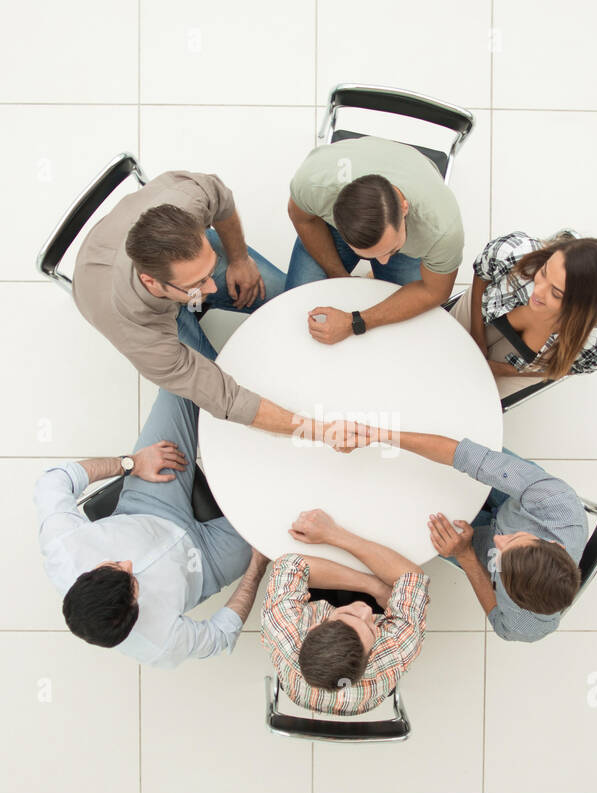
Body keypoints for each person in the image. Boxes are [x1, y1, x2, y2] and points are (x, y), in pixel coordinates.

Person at [33, 387, 268, 667]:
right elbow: (220, 635)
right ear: (135, 614)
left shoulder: (64, 550)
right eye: (132, 582)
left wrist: (130, 464)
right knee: (281, 520)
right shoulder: (157, 645)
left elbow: (54, 481)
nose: (129, 564)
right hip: (207, 563)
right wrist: (257, 567)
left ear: (88, 573)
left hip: (149, 503)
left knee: (179, 380)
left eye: (115, 564)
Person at [71, 169, 303, 436]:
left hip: (163, 258)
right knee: (219, 376)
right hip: (130, 303)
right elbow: (226, 398)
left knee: (287, 299)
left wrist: (238, 259)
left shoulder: (186, 199)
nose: (213, 287)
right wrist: (315, 429)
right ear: (152, 283)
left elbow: (220, 197)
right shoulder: (139, 335)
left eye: (210, 270)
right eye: (198, 284)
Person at [330, 422, 586, 642]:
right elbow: (463, 455)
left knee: (401, 520)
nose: (499, 539)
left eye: (500, 559)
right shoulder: (556, 502)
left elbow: (500, 620)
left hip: (473, 548)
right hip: (515, 498)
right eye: (515, 538)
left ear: (509, 592)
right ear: (556, 544)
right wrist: (381, 435)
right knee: (441, 445)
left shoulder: (525, 626)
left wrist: (466, 557)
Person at [285, 136, 463, 345]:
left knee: (413, 331)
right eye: (368, 254)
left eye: (392, 249)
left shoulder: (442, 228)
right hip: (337, 201)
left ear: (404, 208)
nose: (383, 262)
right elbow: (303, 219)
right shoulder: (314, 184)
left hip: (417, 198)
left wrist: (356, 322)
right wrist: (337, 273)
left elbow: (435, 292)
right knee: (296, 314)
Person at [261, 509, 429, 715]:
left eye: (349, 616)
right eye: (371, 629)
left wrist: (329, 534)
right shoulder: (392, 653)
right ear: (372, 655)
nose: (365, 610)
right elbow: (413, 578)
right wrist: (334, 535)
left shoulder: (283, 630)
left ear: (313, 627)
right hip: (364, 681)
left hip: (303, 661)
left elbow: (290, 564)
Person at [452, 229, 597, 381]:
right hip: (482, 310)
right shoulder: (513, 252)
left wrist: (507, 371)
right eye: (543, 272)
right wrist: (477, 336)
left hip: (523, 365)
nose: (538, 291)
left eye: (556, 293)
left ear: (581, 307)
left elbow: (568, 369)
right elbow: (483, 273)